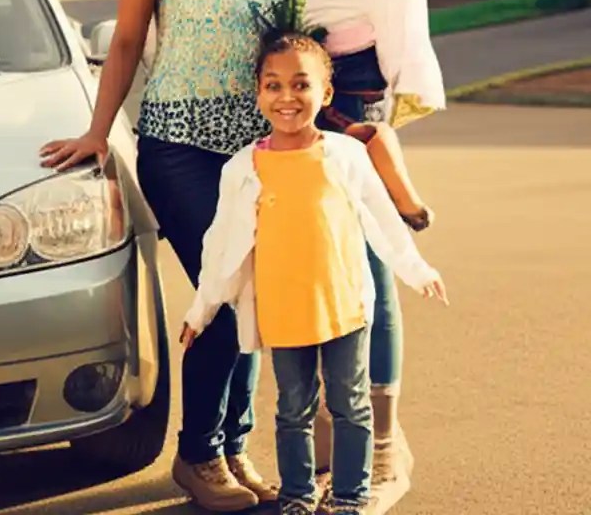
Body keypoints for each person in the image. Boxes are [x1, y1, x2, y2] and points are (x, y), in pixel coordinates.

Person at [39, 0, 285, 511]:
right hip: (180, 149)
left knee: (255, 302)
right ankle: (197, 456)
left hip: (256, 149)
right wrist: (96, 130)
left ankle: (233, 446)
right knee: (222, 293)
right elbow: (123, 42)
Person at [178, 33, 449, 515]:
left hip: (343, 306)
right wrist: (202, 309)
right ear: (258, 93)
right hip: (284, 310)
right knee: (292, 409)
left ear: (325, 94)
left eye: (301, 85)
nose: (287, 97)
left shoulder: (346, 154)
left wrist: (416, 268)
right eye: (273, 85)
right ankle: (299, 495)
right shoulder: (244, 168)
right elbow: (220, 245)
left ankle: (349, 496)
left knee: (350, 405)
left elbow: (381, 218)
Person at [279, 0, 449, 505]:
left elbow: (403, 28)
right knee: (323, 265)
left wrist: (380, 117)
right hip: (308, 94)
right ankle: (330, 428)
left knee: (372, 273)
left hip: (352, 94)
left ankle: (382, 440)